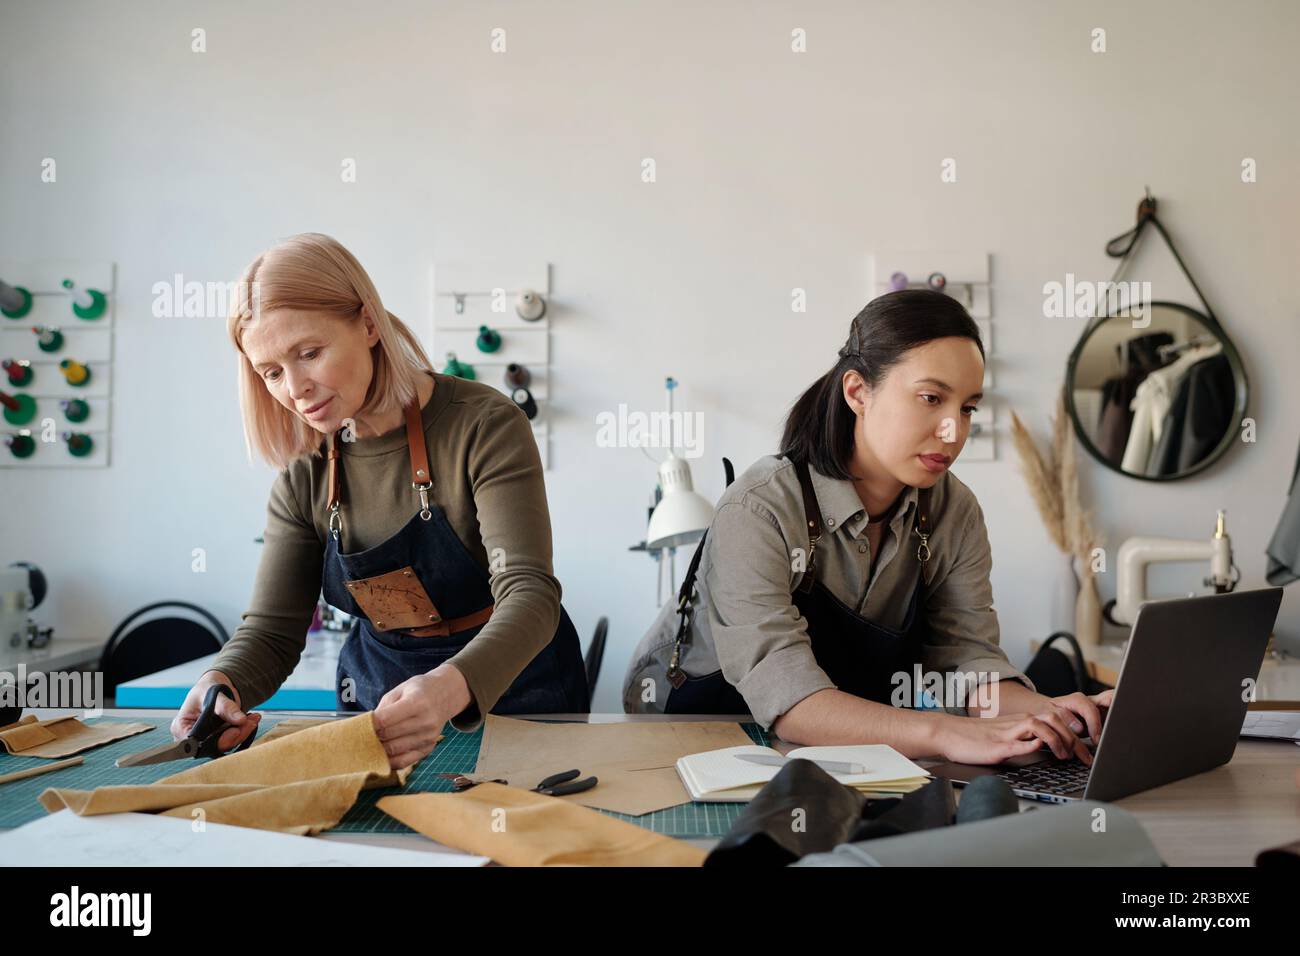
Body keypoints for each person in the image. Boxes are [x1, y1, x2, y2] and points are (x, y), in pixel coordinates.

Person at [623, 289, 1111, 764]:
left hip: (834, 742)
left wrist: (1051, 713)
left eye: (966, 408)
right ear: (858, 391)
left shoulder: (953, 512)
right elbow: (791, 702)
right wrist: (948, 733)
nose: (953, 431)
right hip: (690, 731)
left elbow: (966, 661)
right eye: (930, 398)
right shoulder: (758, 509)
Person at [169, 233, 588, 770]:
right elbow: (272, 631)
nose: (294, 388)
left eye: (309, 353)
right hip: (377, 699)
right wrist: (218, 685)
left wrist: (445, 690)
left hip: (519, 695)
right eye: (271, 372)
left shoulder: (484, 426)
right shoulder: (305, 473)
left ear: (368, 324)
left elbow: (530, 595)